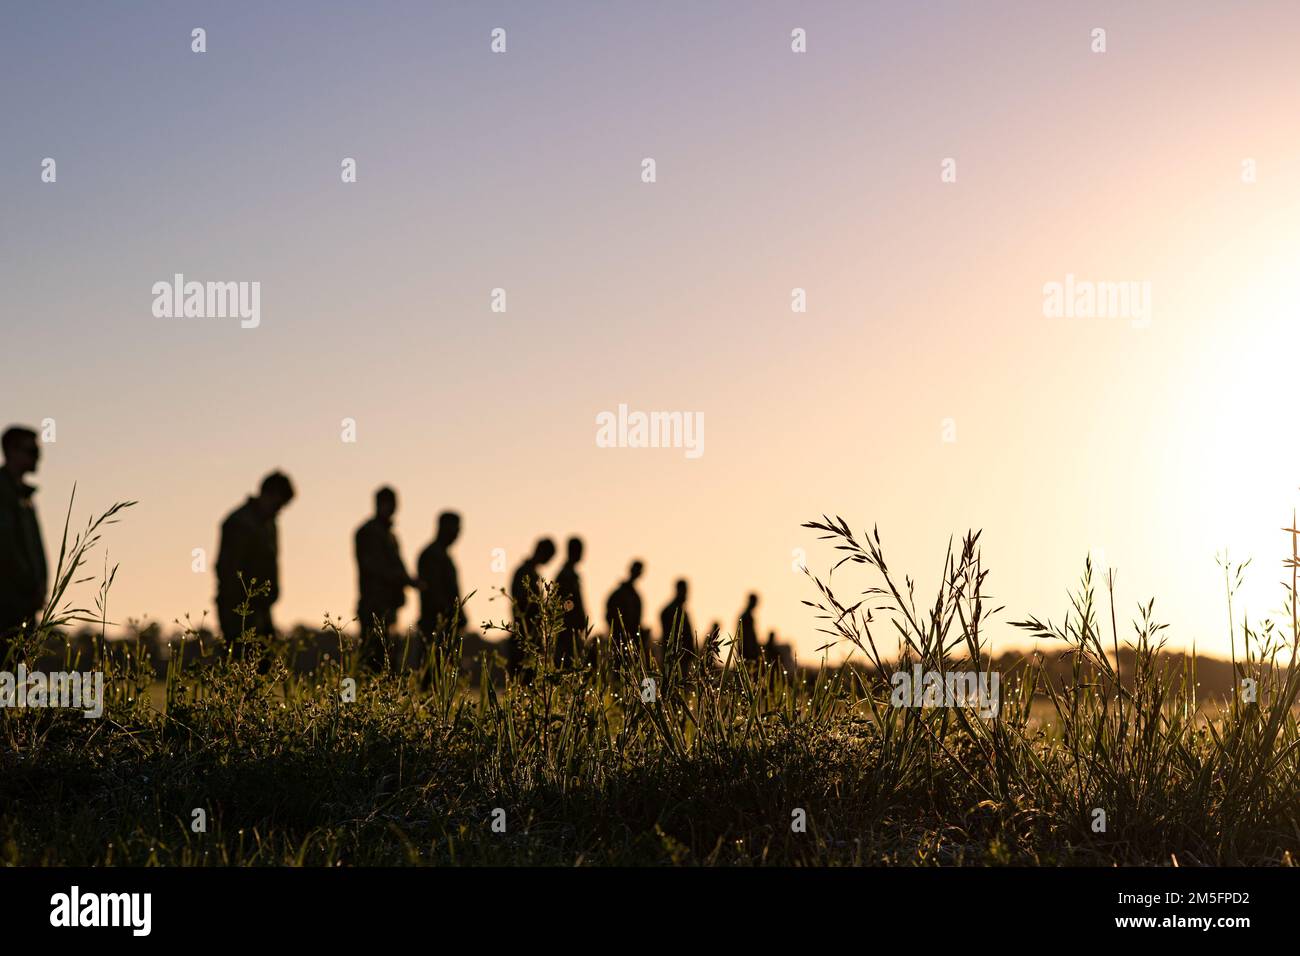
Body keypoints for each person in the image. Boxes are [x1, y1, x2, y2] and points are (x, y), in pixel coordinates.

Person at [215, 471, 295, 660]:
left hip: (262, 608)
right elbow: (227, 570)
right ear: (268, 494)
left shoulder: (270, 525)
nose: (279, 510)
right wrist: (242, 608)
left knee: (266, 662)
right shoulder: (239, 523)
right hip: (238, 609)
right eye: (279, 503)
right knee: (240, 661)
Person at [0, 426, 47, 660]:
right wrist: (30, 584)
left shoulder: (23, 495)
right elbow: (5, 547)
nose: (37, 456)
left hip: (25, 605)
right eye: (32, 450)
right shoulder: (3, 491)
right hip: (8, 606)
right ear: (10, 451)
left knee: (19, 679)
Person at [355, 486, 415, 668]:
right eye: (389, 504)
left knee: (388, 660)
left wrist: (409, 580)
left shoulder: (390, 535)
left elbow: (398, 566)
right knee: (371, 661)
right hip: (374, 606)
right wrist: (403, 579)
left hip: (389, 607)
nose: (392, 508)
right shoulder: (369, 532)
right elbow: (374, 567)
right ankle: (351, 696)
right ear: (379, 504)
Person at [509, 538, 556, 677]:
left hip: (530, 635)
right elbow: (523, 605)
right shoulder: (525, 573)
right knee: (524, 678)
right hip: (525, 635)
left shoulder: (531, 573)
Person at [417, 511, 462, 645]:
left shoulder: (442, 556)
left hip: (445, 624)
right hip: (435, 624)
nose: (457, 534)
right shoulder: (432, 555)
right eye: (455, 529)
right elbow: (434, 593)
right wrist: (451, 614)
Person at [554, 536, 587, 668]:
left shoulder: (571, 575)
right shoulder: (566, 576)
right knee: (567, 667)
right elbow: (564, 604)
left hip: (572, 631)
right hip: (567, 633)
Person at [605, 560, 646, 659]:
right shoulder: (621, 594)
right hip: (620, 640)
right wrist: (617, 633)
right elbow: (609, 615)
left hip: (632, 641)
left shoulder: (634, 596)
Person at [659, 579, 693, 662]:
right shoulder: (672, 610)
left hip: (680, 655)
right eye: (684, 590)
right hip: (675, 656)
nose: (686, 594)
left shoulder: (681, 610)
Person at [737, 593, 760, 663]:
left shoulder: (747, 616)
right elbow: (746, 635)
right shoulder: (746, 616)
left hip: (747, 648)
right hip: (747, 649)